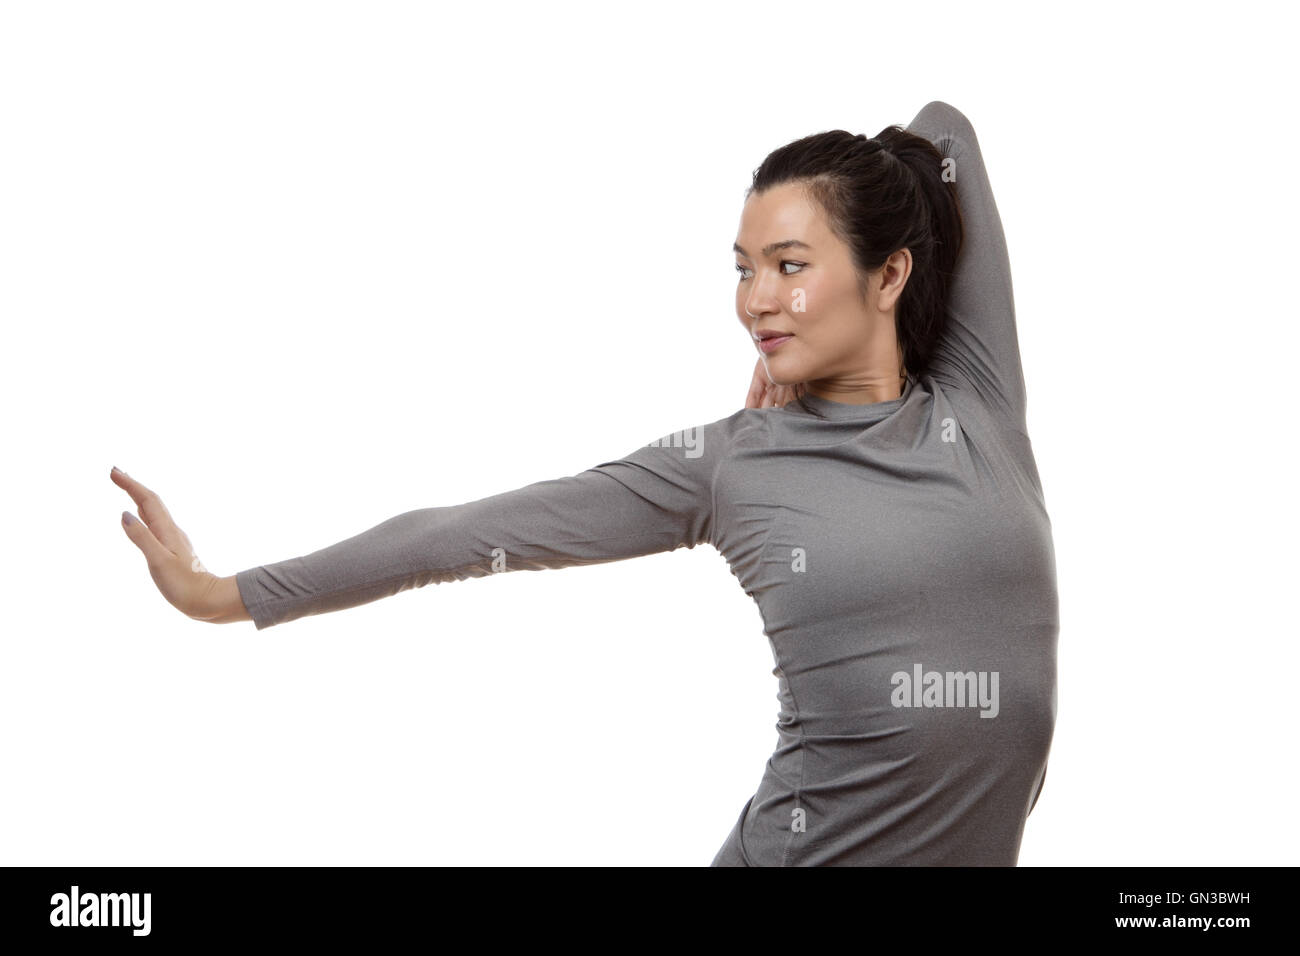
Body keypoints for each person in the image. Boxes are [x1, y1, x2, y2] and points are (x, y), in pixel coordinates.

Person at [113, 100, 1058, 866]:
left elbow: (948, 133)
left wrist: (880, 184)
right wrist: (225, 593)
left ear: (889, 272)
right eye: (742, 270)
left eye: (790, 266)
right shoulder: (730, 463)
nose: (755, 300)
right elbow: (470, 531)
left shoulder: (978, 400)